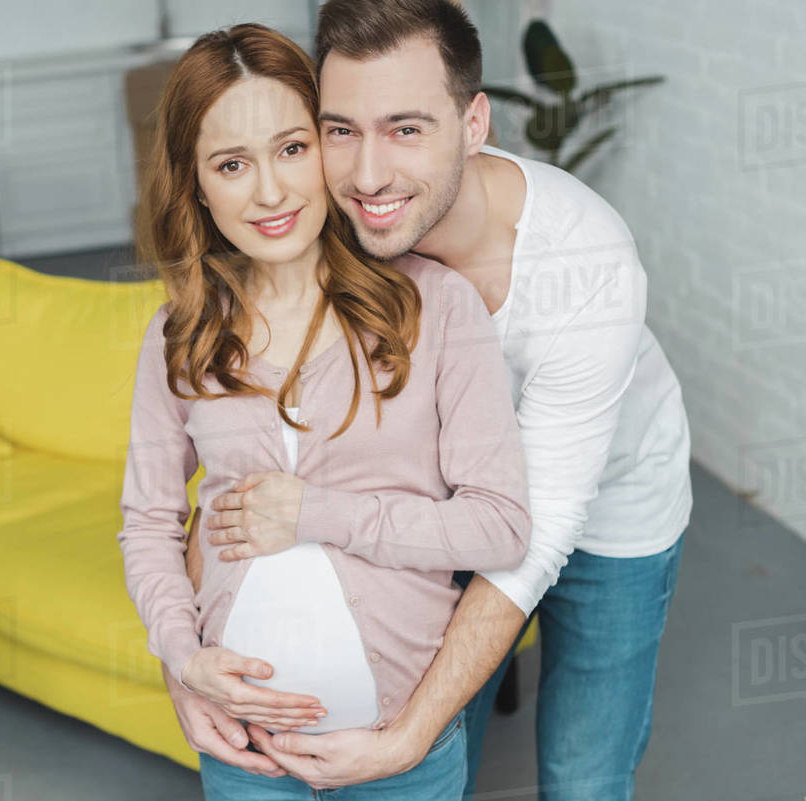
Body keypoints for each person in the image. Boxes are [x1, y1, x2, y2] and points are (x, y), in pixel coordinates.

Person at [173, 2, 693, 799]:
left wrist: (409, 739)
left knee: (581, 772)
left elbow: (535, 536)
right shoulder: (333, 223)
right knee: (444, 739)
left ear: (474, 123)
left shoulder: (588, 266)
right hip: (450, 502)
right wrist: (184, 665)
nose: (368, 175)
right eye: (341, 130)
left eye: (406, 129)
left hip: (610, 508)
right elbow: (228, 457)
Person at [115, 22, 533, 800]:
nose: (270, 192)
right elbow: (147, 522)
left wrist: (317, 513)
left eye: (291, 148)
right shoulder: (180, 335)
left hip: (401, 756)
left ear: (328, 148)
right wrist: (183, 654)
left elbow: (499, 526)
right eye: (231, 164)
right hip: (244, 755)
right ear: (196, 184)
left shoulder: (437, 308)